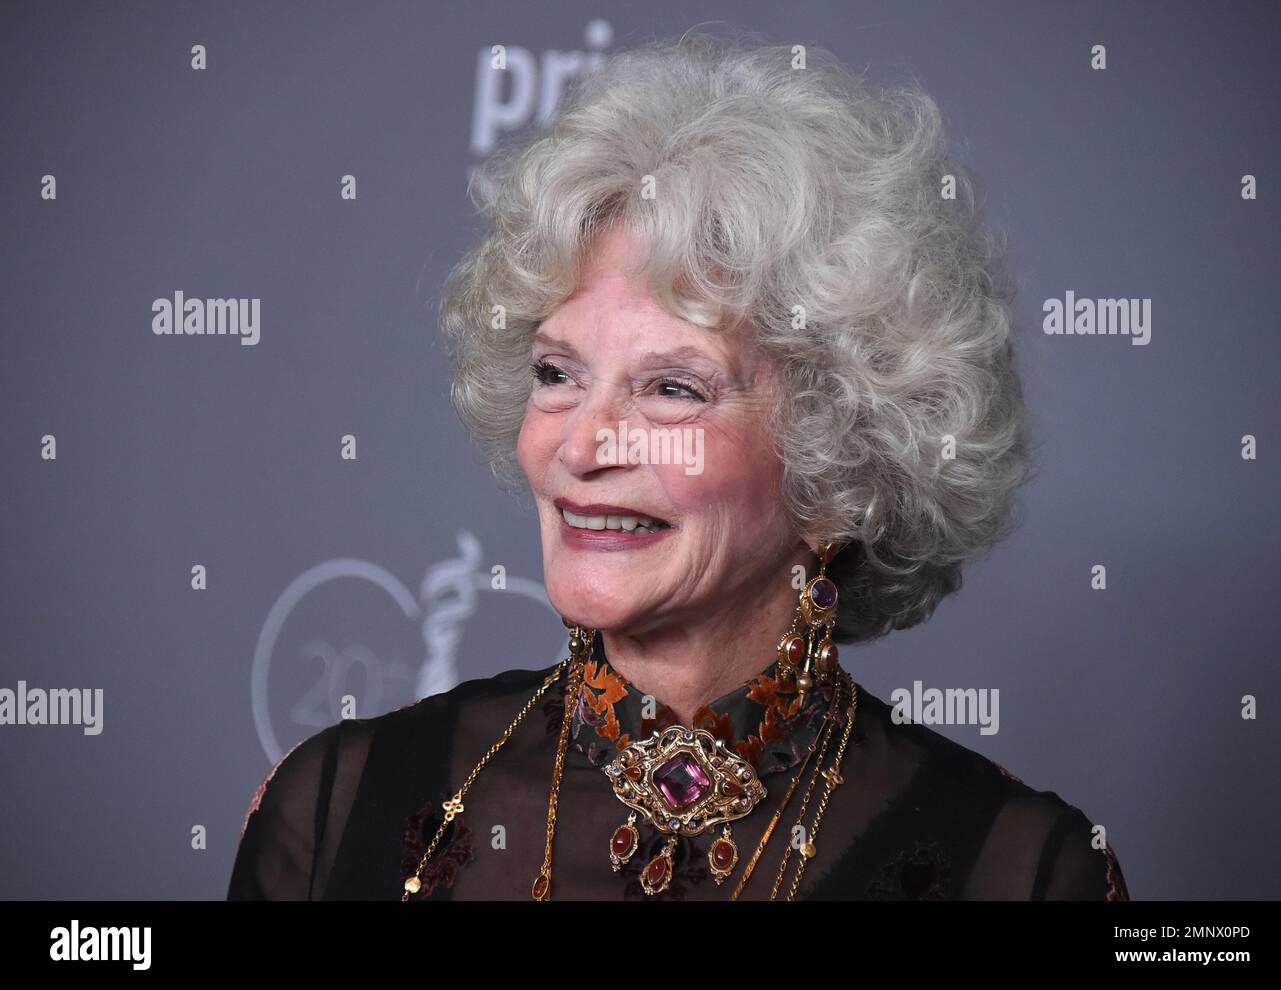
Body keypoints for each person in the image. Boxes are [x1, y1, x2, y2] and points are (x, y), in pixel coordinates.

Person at [227, 34, 1129, 901]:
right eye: (557, 375)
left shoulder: (1017, 869)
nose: (583, 448)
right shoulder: (335, 812)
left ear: (842, 465)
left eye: (670, 389)